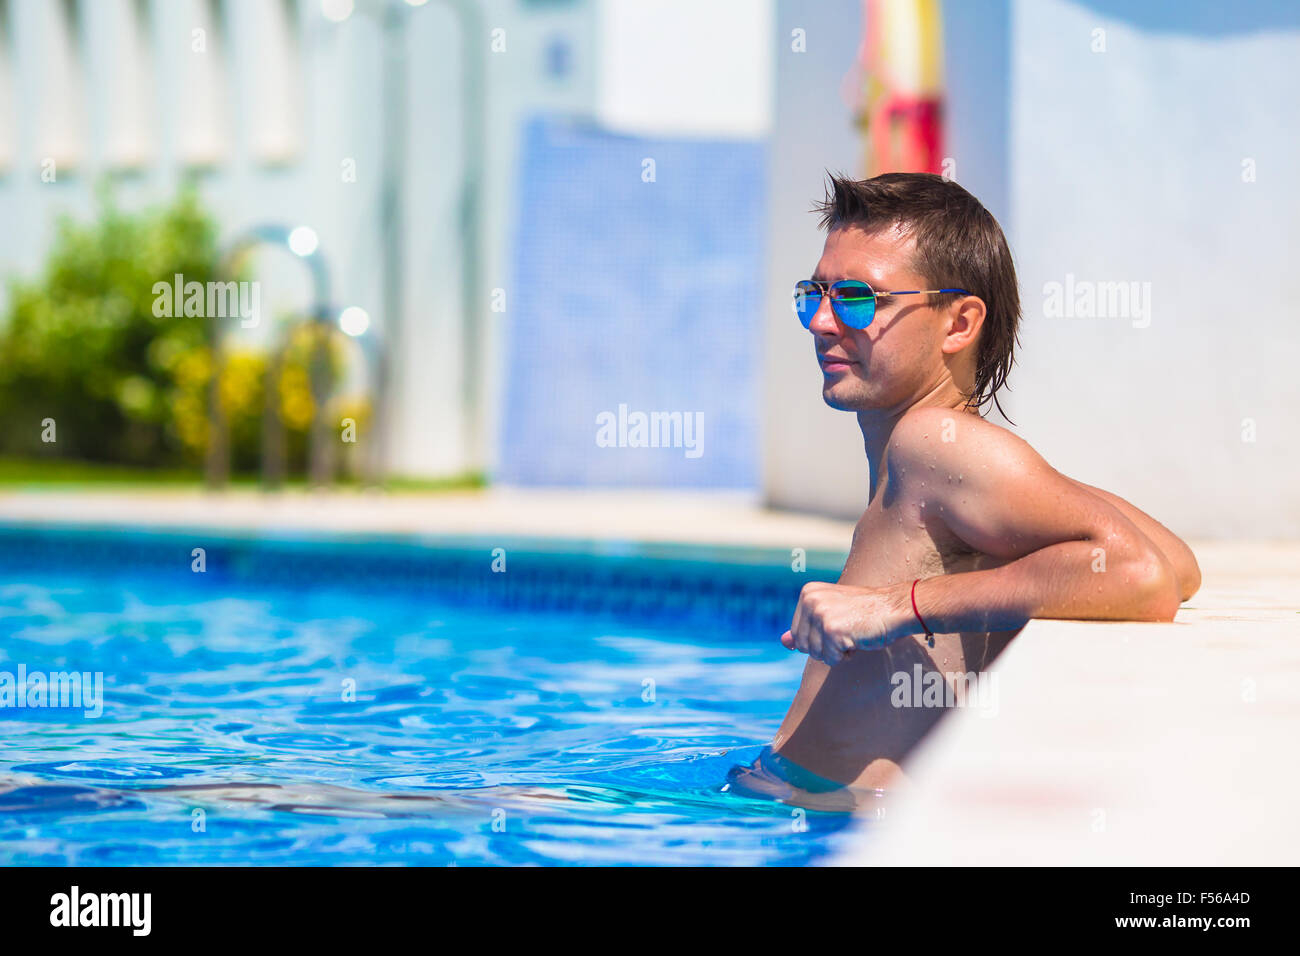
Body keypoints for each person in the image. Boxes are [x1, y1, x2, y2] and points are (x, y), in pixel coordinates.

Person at [726, 172, 1200, 804]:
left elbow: (1145, 575)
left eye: (858, 298)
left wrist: (898, 604)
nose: (820, 321)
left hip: (836, 833)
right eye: (814, 293)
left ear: (958, 324)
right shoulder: (935, 455)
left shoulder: (932, 444)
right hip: (809, 812)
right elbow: (1180, 562)